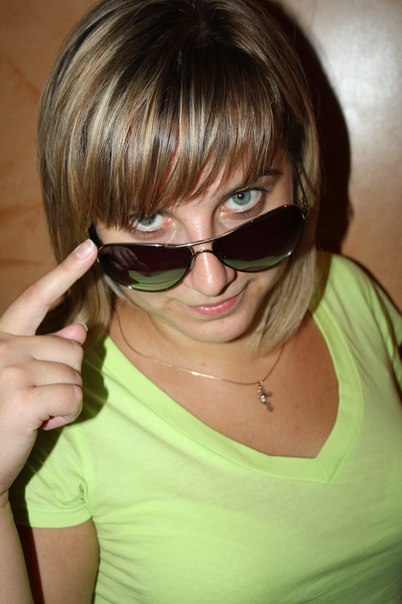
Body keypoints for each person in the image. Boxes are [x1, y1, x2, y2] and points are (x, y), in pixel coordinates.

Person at [0, 0, 401, 602]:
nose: (212, 279)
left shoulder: (347, 294)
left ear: (297, 172)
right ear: (87, 224)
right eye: (147, 219)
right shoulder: (57, 415)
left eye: (242, 198)